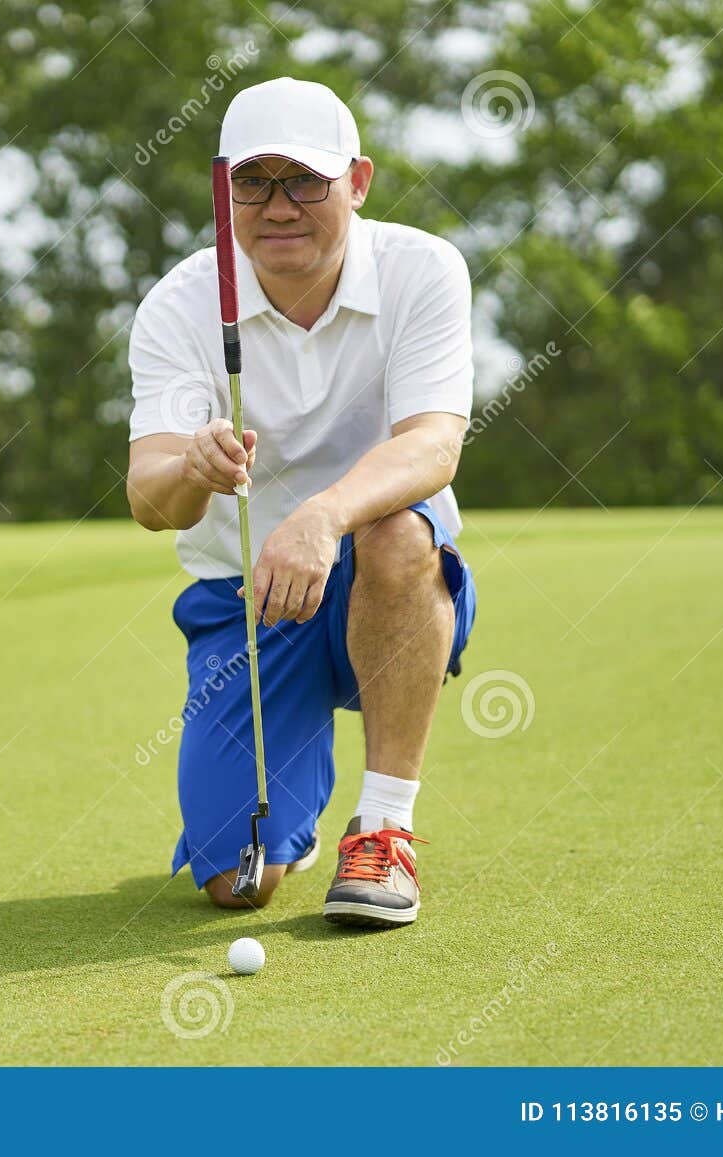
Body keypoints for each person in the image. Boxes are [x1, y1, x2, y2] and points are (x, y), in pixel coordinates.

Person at [126, 77, 477, 925]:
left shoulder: (423, 268)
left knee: (395, 530)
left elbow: (434, 444)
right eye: (255, 181)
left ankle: (384, 829)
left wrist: (322, 516)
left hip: (381, 575)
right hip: (246, 602)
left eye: (304, 181)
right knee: (236, 883)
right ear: (225, 189)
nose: (279, 206)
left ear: (356, 182)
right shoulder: (179, 303)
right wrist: (193, 472)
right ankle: (294, 795)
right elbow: (149, 496)